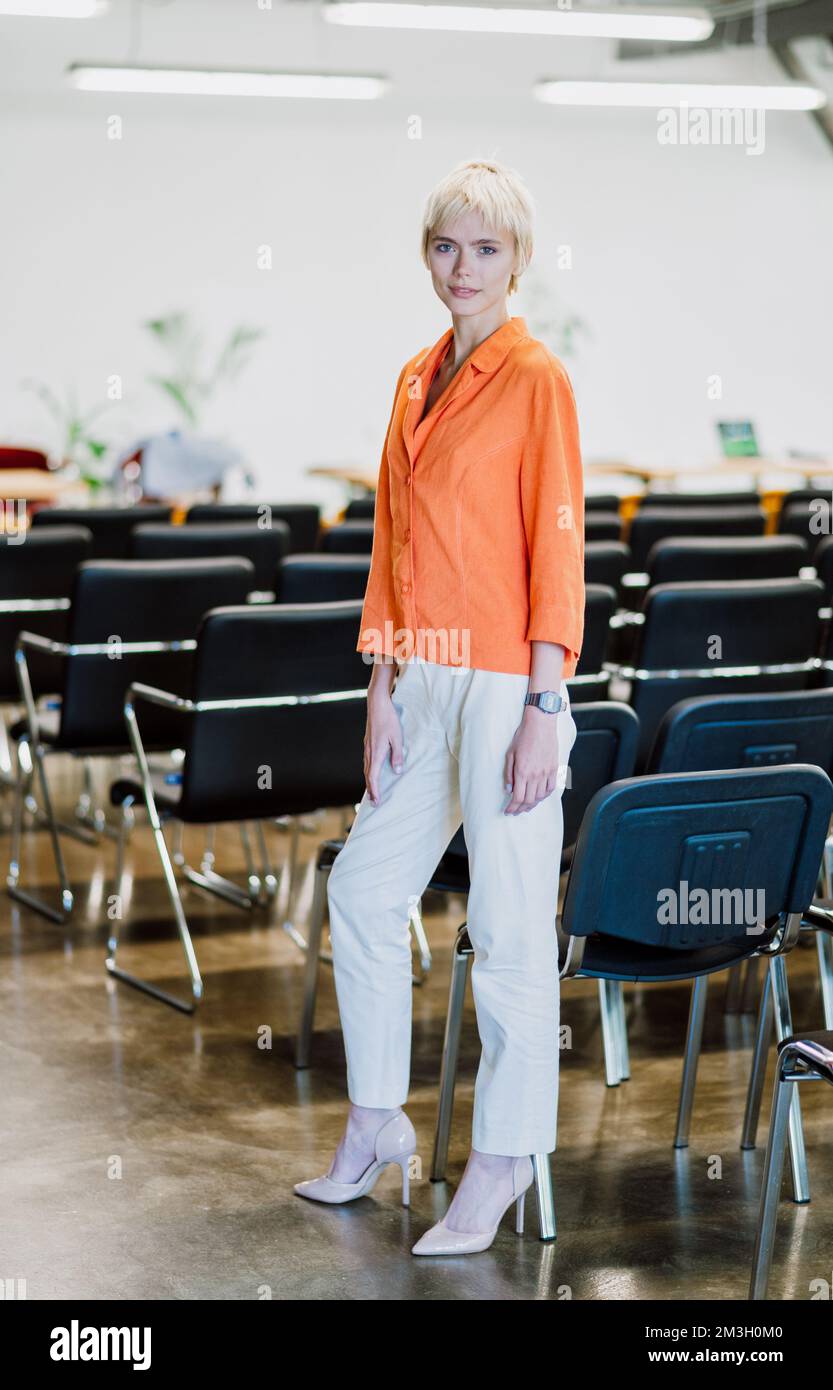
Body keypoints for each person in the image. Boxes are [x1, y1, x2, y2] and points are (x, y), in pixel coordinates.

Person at [294, 158, 585, 1256]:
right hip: (422, 672)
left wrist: (544, 702)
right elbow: (391, 546)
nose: (461, 268)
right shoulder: (413, 377)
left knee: (509, 923)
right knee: (365, 887)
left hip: (512, 677)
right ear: (428, 256)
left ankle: (504, 1155)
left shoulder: (535, 377)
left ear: (518, 262)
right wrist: (380, 688)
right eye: (445, 247)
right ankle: (376, 1119)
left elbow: (557, 543)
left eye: (485, 249)